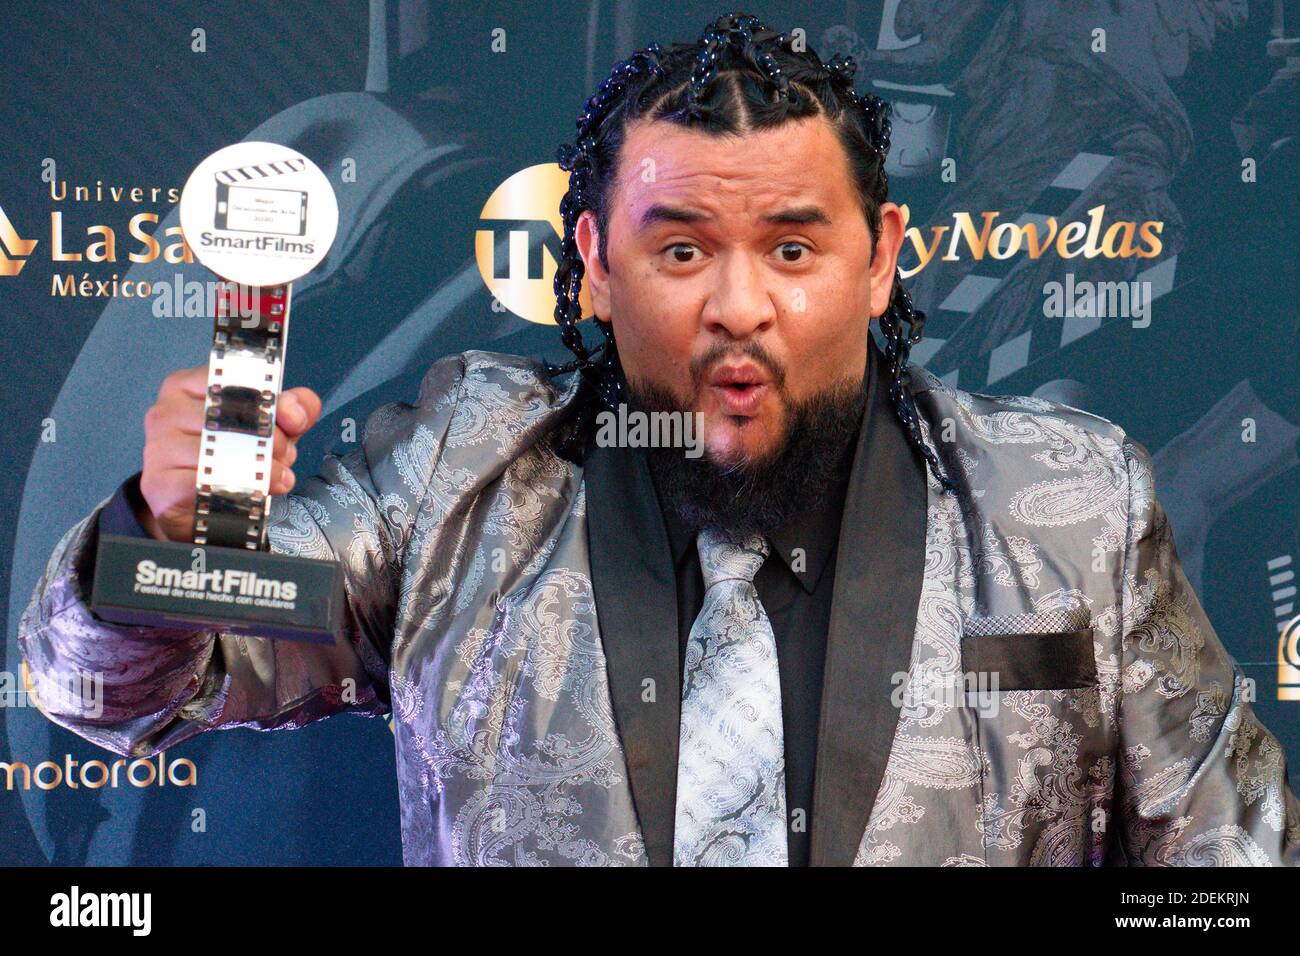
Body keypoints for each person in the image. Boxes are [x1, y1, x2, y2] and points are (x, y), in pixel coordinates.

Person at [18, 12, 1299, 867]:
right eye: (679, 249)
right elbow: (114, 683)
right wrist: (161, 539)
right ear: (591, 267)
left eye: (793, 248)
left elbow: (1229, 865)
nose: (738, 307)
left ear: (879, 264)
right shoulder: (456, 480)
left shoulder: (1065, 508)